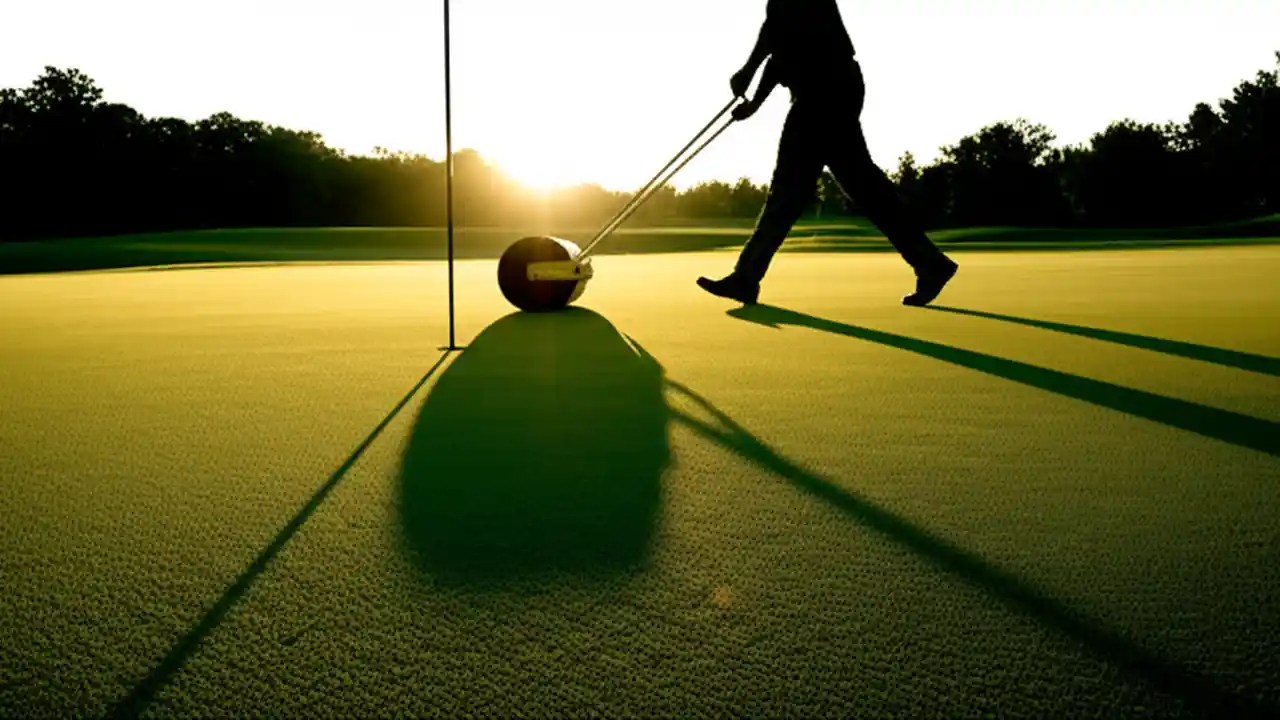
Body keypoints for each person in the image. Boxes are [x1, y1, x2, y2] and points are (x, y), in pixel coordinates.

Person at [697, 0, 958, 307]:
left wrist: (748, 72)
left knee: (788, 192)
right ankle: (930, 263)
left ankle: (745, 278)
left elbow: (774, 40)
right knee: (863, 189)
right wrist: (754, 97)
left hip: (822, 94)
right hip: (831, 89)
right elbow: (781, 51)